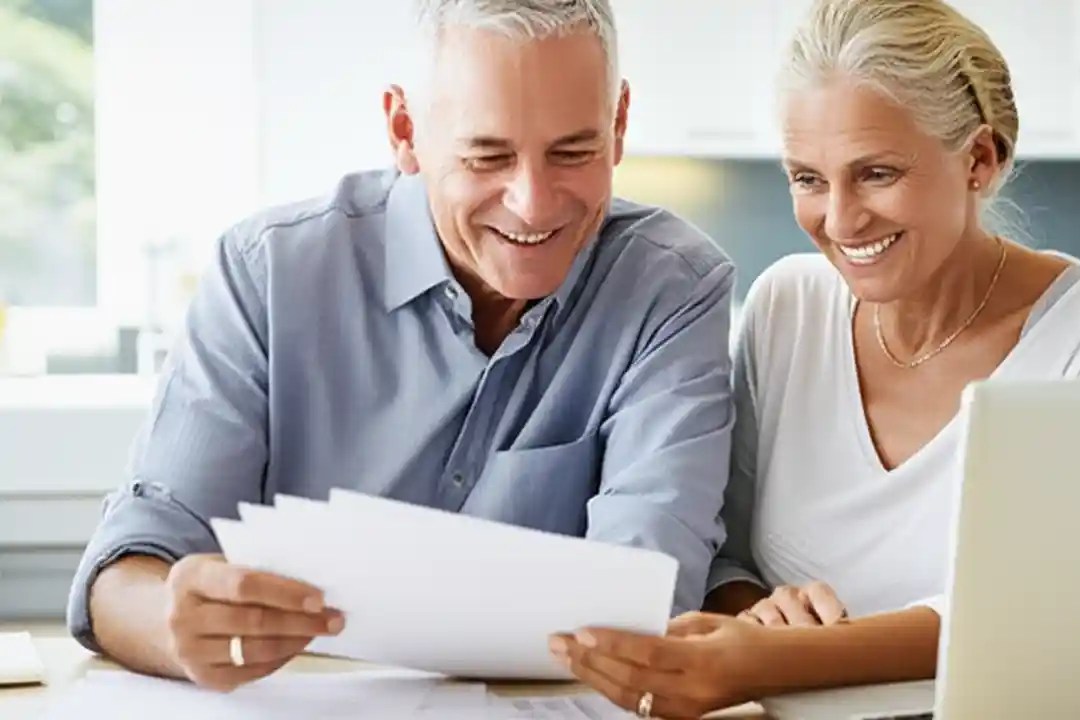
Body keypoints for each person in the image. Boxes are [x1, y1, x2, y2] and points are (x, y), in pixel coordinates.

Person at [69, 0, 736, 691]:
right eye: (487, 156)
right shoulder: (268, 273)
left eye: (574, 152)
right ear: (405, 129)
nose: (533, 203)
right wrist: (173, 624)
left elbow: (648, 599)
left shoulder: (672, 289)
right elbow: (128, 567)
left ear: (619, 124)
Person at [550, 0, 1080, 717]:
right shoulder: (787, 307)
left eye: (877, 173)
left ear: (979, 159)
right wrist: (759, 612)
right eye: (807, 179)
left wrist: (778, 661)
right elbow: (726, 554)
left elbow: (1051, 612)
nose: (841, 219)